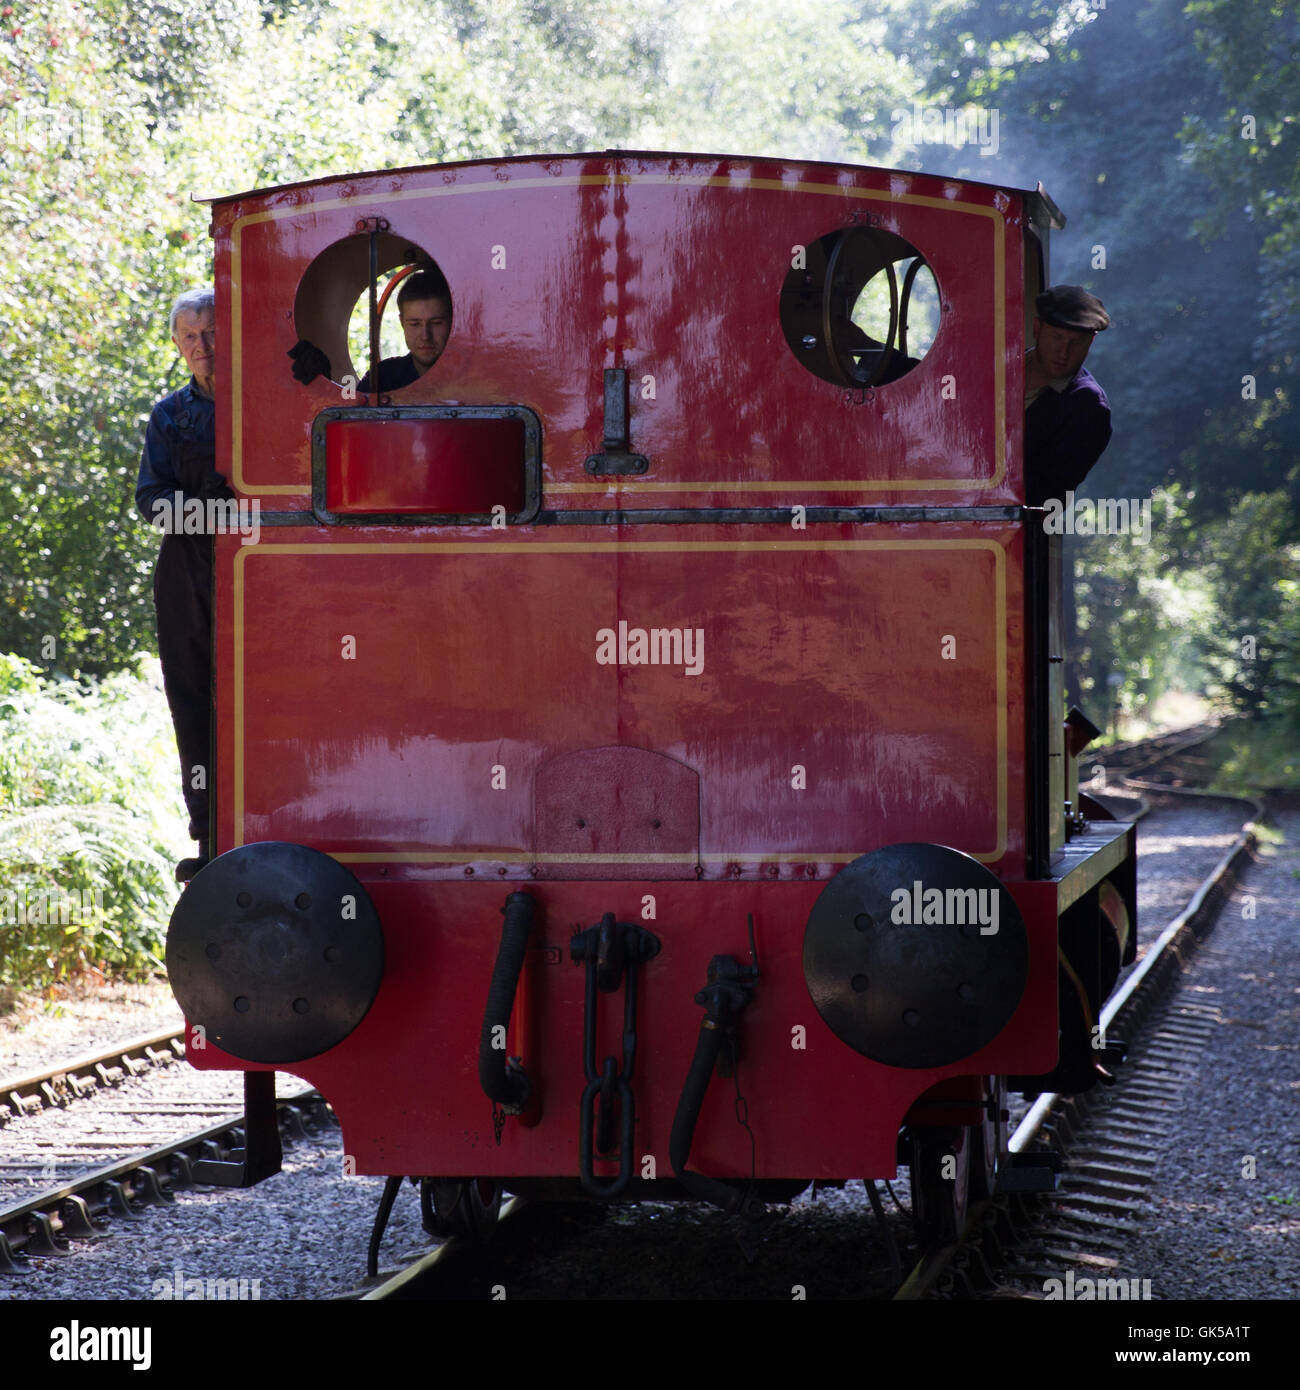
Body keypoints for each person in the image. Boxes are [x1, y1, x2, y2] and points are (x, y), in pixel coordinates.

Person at [135, 288, 232, 880]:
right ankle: (209, 836)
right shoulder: (169, 415)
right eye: (191, 337)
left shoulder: (262, 402)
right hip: (187, 575)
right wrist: (207, 511)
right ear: (176, 345)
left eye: (212, 332)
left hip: (263, 570)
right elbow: (150, 499)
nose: (203, 346)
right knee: (192, 702)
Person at [1023, 285, 1111, 506]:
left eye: (1076, 343)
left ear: (1091, 342)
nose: (1063, 352)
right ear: (1037, 328)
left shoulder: (1088, 407)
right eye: (1057, 337)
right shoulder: (995, 368)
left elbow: (1046, 497)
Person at [358, 270, 452, 393]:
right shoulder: (379, 380)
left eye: (436, 323)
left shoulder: (472, 377)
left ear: (453, 321)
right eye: (415, 324)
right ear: (402, 322)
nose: (425, 336)